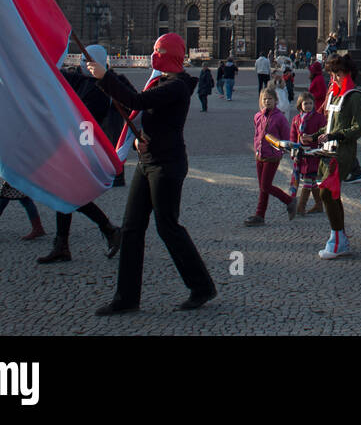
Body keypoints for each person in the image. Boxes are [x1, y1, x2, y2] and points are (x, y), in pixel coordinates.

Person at [89, 32, 217, 315]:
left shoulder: (177, 86)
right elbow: (143, 115)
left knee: (168, 227)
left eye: (158, 50)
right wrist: (136, 141)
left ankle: (202, 286)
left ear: (168, 55)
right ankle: (126, 297)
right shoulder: (162, 82)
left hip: (167, 165)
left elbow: (135, 101)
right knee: (132, 228)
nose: (153, 55)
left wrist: (105, 76)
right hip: (149, 161)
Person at [37, 45, 129, 263]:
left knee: (69, 194)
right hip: (74, 146)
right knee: (67, 194)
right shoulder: (86, 82)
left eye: (85, 61)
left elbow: (84, 119)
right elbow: (60, 76)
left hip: (83, 148)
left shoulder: (99, 89)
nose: (80, 65)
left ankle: (106, 231)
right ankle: (68, 243)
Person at [317, 53, 361, 259]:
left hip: (343, 152)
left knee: (327, 193)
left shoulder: (354, 96)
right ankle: (339, 237)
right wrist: (316, 134)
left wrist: (337, 134)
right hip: (328, 150)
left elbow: (358, 128)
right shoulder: (335, 95)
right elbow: (331, 124)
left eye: (338, 73)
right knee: (331, 195)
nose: (334, 77)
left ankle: (338, 239)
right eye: (332, 73)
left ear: (348, 72)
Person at [245, 88, 297, 225]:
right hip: (260, 154)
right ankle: (260, 215)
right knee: (263, 186)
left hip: (273, 155)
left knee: (265, 185)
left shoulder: (280, 118)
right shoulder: (258, 116)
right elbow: (257, 134)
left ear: (275, 101)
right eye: (265, 99)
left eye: (270, 99)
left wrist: (284, 149)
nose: (267, 101)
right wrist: (256, 148)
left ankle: (289, 200)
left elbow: (286, 136)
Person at [288, 92, 327, 215]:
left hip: (314, 154)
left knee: (308, 181)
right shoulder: (296, 119)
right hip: (302, 155)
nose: (308, 106)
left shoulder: (319, 118)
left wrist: (317, 143)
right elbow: (293, 136)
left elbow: (322, 133)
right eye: (306, 103)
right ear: (300, 105)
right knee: (312, 180)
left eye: (310, 103)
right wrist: (293, 151)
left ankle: (301, 207)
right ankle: (319, 205)